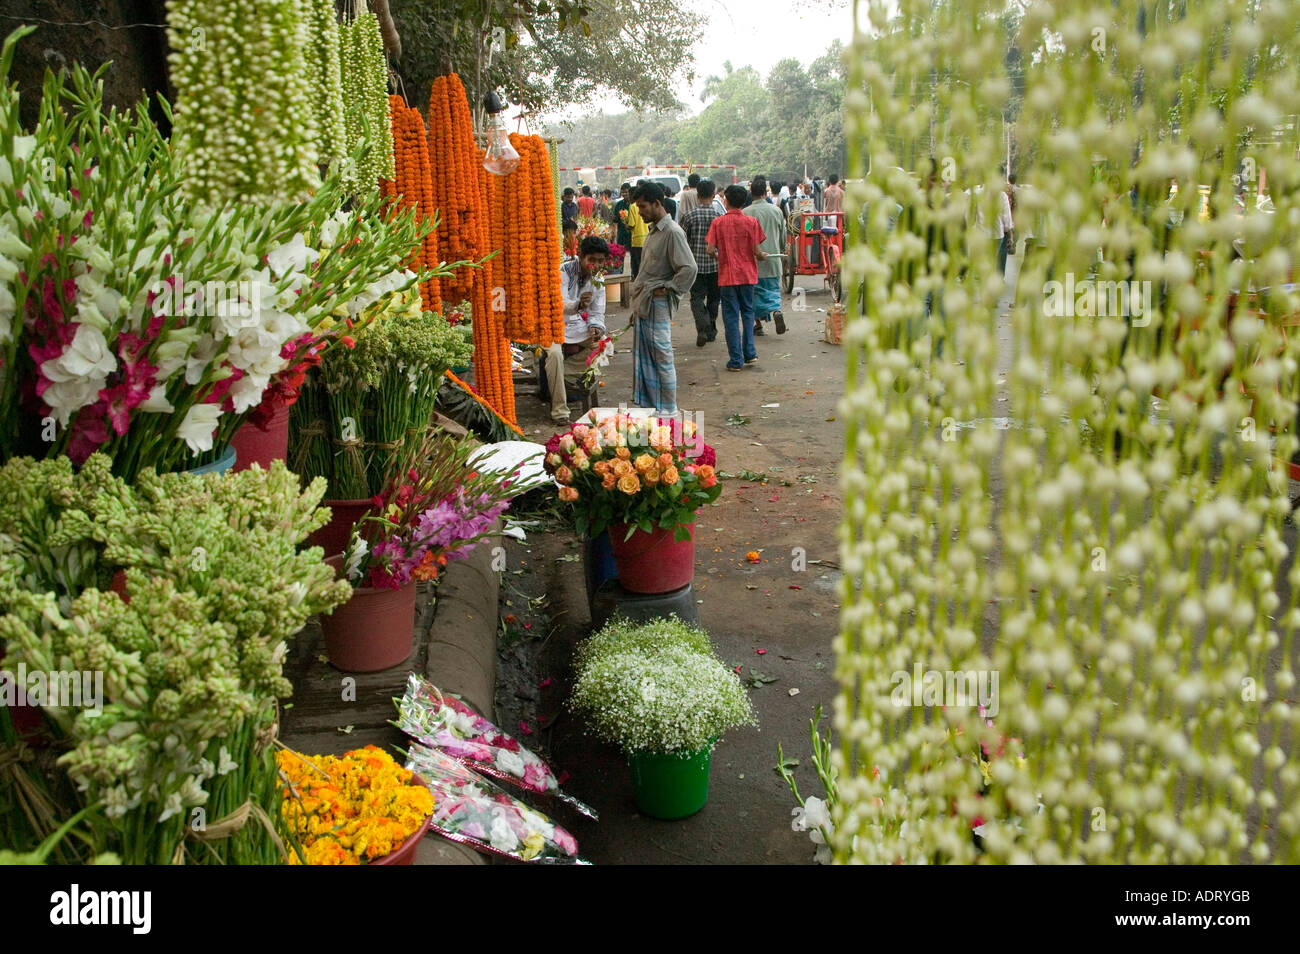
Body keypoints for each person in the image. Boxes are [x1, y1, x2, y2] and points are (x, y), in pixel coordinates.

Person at [628, 182, 696, 414]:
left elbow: (689, 269)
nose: (640, 212)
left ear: (657, 204)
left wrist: (668, 288)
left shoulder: (673, 232)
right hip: (646, 303)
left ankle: (668, 410)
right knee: (649, 358)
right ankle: (652, 408)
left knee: (662, 357)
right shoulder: (655, 230)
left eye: (642, 206)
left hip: (657, 304)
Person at [546, 237, 610, 423]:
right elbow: (560, 304)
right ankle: (560, 412)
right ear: (580, 256)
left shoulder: (598, 278)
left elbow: (598, 311)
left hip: (577, 326)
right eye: (592, 260)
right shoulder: (563, 271)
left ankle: (558, 375)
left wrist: (596, 328)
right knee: (555, 355)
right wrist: (578, 304)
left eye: (600, 261)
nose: (595, 265)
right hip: (554, 324)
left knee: (606, 345)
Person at [707, 183, 767, 371]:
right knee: (748, 313)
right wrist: (762, 256)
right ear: (743, 202)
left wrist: (721, 256)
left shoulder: (718, 223)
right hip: (748, 275)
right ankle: (750, 353)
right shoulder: (751, 222)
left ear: (726, 200)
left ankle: (735, 360)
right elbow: (758, 252)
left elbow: (709, 249)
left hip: (727, 276)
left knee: (731, 317)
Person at [681, 179, 723, 347]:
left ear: (698, 196)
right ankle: (710, 327)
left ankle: (702, 328)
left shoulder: (689, 217)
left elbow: (682, 241)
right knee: (714, 298)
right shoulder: (719, 217)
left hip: (695, 264)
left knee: (696, 298)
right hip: (715, 264)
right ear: (713, 196)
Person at [744, 175, 786, 336]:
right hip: (773, 257)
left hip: (752, 260)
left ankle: (758, 324)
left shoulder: (746, 213)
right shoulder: (776, 211)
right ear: (765, 193)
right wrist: (781, 250)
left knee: (754, 293)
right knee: (773, 289)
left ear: (751, 192)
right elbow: (782, 235)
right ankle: (776, 310)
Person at [624, 184, 649, 278]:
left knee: (636, 261)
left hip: (637, 239)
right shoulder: (645, 205)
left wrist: (626, 224)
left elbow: (631, 224)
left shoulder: (633, 206)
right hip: (646, 238)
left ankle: (637, 279)